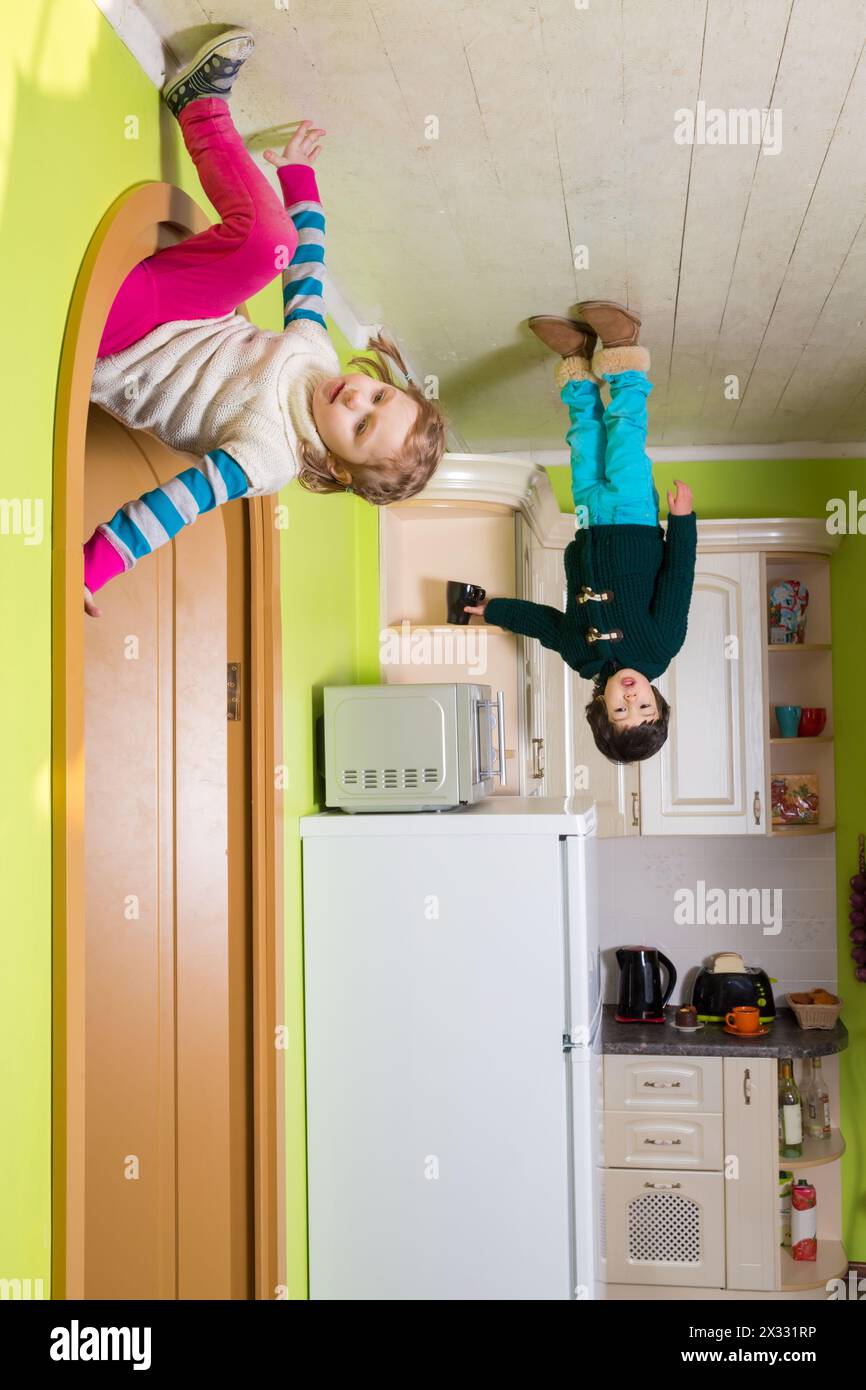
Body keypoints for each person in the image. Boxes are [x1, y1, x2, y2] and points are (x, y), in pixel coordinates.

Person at [84, 26, 446, 616]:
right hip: (183, 300)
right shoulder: (317, 357)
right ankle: (198, 104)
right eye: (377, 395)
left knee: (265, 243)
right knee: (270, 244)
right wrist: (299, 177)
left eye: (359, 427)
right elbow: (307, 269)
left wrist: (94, 566)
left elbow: (178, 505)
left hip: (125, 347)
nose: (356, 398)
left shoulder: (269, 457)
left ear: (336, 465)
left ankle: (201, 108)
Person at [465, 301, 696, 764]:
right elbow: (678, 578)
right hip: (634, 520)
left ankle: (577, 363)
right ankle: (624, 350)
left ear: (598, 706)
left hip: (589, 523)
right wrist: (683, 521)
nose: (631, 696)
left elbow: (545, 626)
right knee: (624, 435)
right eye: (644, 705)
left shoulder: (581, 657)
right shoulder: (662, 646)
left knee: (583, 444)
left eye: (620, 708)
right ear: (657, 696)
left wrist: (493, 611)